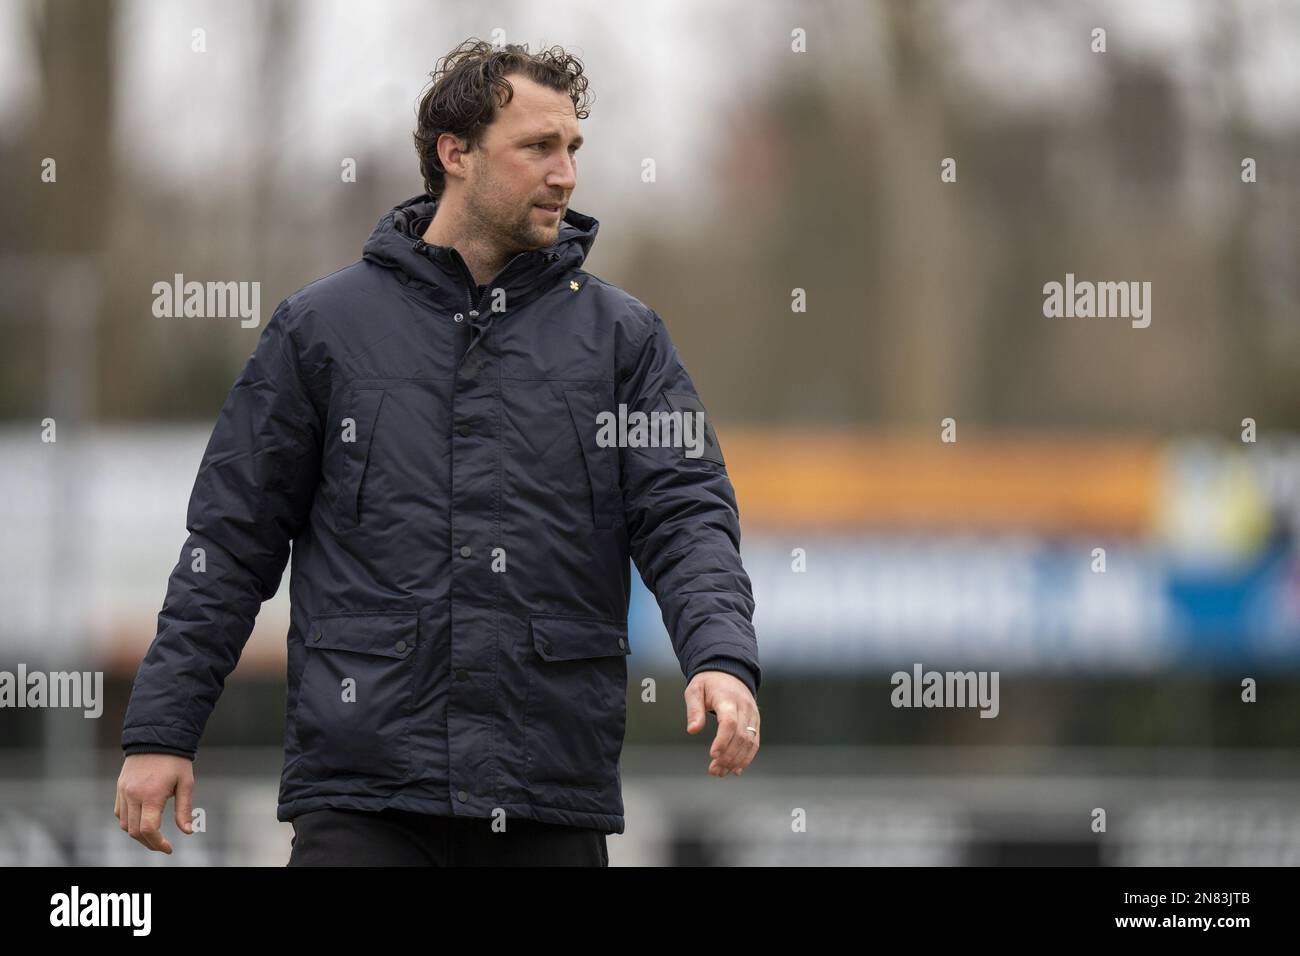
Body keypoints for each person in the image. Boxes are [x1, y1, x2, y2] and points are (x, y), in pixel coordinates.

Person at [115, 38, 761, 867]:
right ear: (455, 155)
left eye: (572, 149)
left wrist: (719, 656)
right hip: (363, 797)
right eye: (538, 148)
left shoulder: (623, 341)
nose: (565, 173)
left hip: (547, 794)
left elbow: (688, 515)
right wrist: (163, 729)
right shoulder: (322, 331)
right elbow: (230, 543)